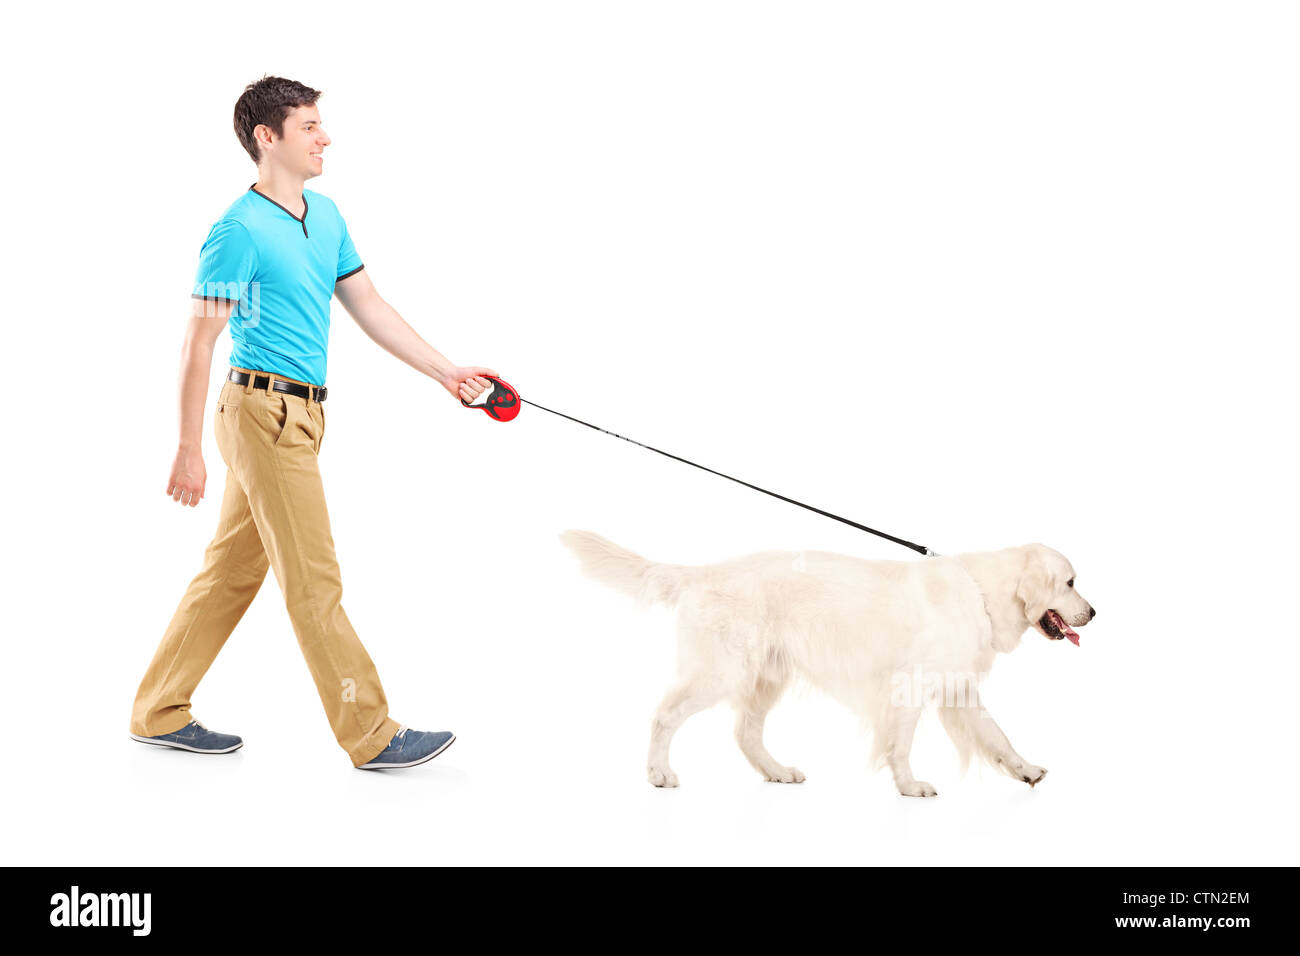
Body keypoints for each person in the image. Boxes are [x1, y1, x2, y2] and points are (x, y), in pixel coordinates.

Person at [129, 75, 499, 770]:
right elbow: (197, 342)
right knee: (315, 579)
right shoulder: (237, 230)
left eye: (320, 124)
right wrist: (187, 449)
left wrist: (448, 372)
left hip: (302, 417)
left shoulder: (324, 215)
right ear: (267, 139)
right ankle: (371, 733)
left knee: (229, 575)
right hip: (259, 415)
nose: (324, 137)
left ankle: (156, 709)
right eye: (308, 126)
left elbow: (370, 306)